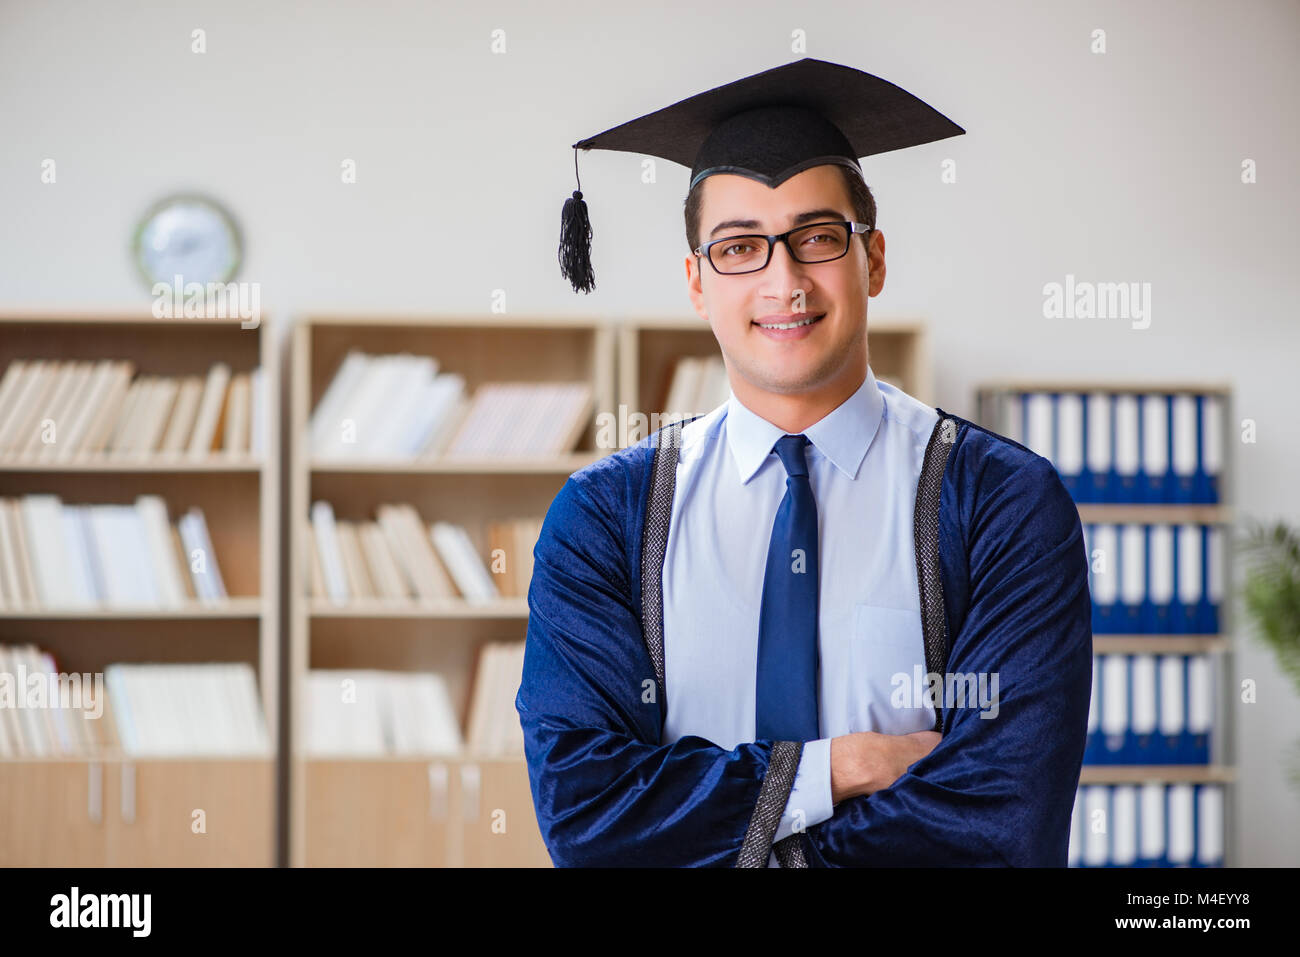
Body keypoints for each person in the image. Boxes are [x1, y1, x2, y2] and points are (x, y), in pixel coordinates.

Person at [517, 58, 1092, 867]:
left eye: (818, 238)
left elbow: (1002, 825)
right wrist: (841, 767)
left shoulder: (1000, 502)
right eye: (739, 247)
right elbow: (587, 813)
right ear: (696, 283)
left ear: (874, 260)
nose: (784, 280)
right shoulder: (605, 519)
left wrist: (711, 833)